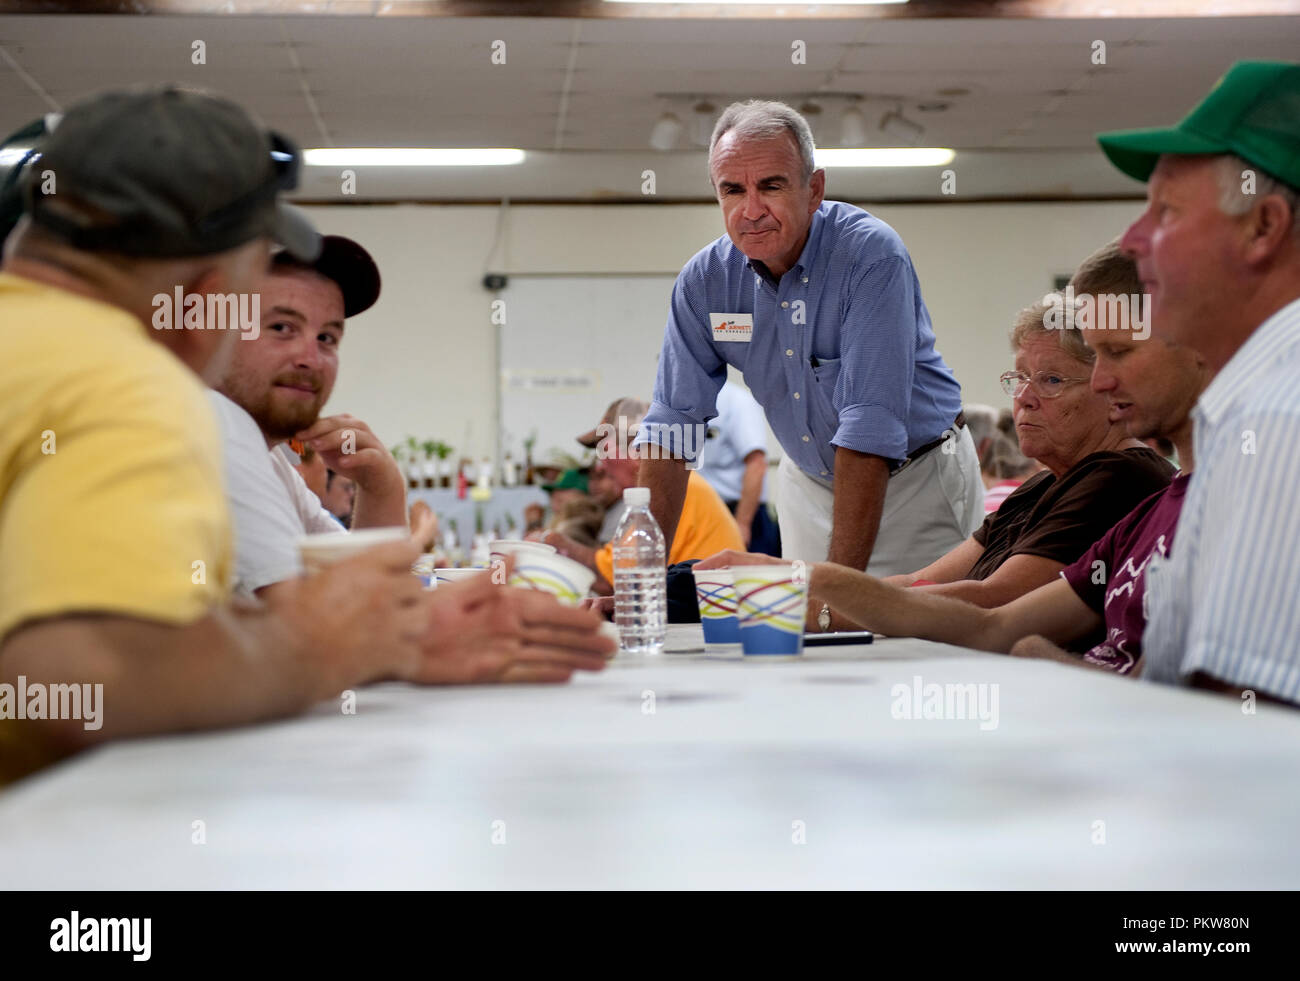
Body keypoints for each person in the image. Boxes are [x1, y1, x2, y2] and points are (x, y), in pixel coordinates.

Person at [0, 87, 430, 770]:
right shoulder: (124, 381)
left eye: (327, 335)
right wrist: (322, 644)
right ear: (206, 294)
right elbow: (72, 679)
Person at [698, 241, 1211, 673]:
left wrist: (806, 594)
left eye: (1052, 380)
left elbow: (992, 605)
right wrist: (810, 598)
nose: (1025, 398)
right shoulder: (1051, 487)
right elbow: (941, 593)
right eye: (1021, 378)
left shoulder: (1123, 477)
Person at [212, 233, 614, 680]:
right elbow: (331, 630)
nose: (311, 357)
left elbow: (367, 592)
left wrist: (381, 485)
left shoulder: (267, 461)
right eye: (282, 327)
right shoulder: (218, 426)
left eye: (328, 337)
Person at [633, 99, 984, 605]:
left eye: (771, 186)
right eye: (733, 190)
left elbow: (869, 425)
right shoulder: (706, 282)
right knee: (808, 647)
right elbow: (671, 428)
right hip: (809, 481)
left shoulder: (870, 255)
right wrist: (639, 585)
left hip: (917, 481)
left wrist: (838, 597)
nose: (750, 210)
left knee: (916, 641)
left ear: (814, 189)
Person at [1096, 59, 1300, 704]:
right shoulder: (1248, 410)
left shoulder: (1277, 419)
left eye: (1165, 211)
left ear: (1263, 227)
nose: (1132, 239)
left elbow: (1243, 719)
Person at [546, 397, 743, 594]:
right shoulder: (669, 487)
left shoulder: (673, 486)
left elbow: (617, 578)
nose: (601, 465)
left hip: (707, 611)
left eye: (604, 450)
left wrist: (554, 542)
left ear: (636, 446)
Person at [695, 380, 781, 555]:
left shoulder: (735, 401)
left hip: (739, 513)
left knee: (750, 579)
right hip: (701, 514)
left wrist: (742, 524)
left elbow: (756, 464)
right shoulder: (679, 404)